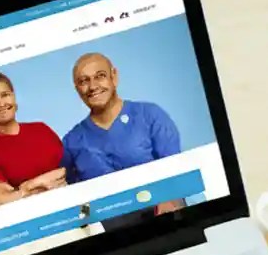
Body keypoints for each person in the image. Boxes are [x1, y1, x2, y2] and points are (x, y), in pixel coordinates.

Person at [61, 53, 186, 228]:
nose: (92, 86)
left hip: (163, 219)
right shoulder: (71, 141)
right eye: (84, 81)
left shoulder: (149, 115)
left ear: (114, 76)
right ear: (77, 89)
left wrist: (169, 204)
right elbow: (70, 195)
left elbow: (176, 169)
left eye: (100, 76)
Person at [0, 71, 68, 206]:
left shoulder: (41, 130)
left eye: (5, 95)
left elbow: (70, 171)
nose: (1, 103)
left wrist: (28, 186)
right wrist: (43, 183)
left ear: (13, 97)